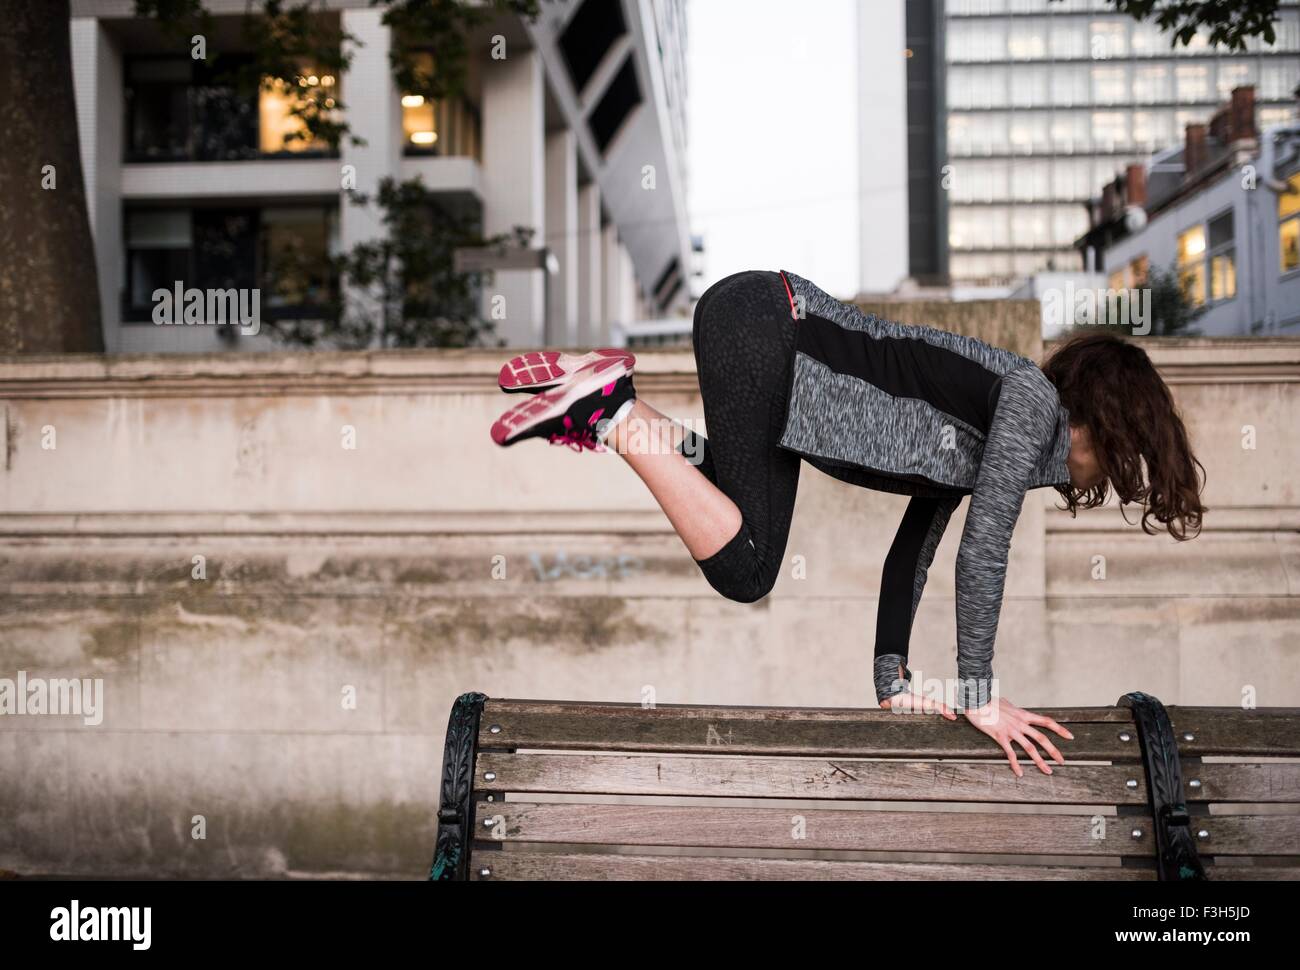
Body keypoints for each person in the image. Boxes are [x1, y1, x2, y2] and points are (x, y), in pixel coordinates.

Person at [488, 268, 1207, 776]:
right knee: (746, 565)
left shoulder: (987, 429)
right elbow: (984, 551)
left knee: (728, 518)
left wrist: (891, 680)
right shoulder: (1031, 404)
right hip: (770, 328)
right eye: (1123, 465)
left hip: (761, 323)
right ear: (1107, 426)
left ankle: (605, 399)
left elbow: (914, 555)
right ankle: (609, 408)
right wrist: (980, 697)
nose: (1112, 482)